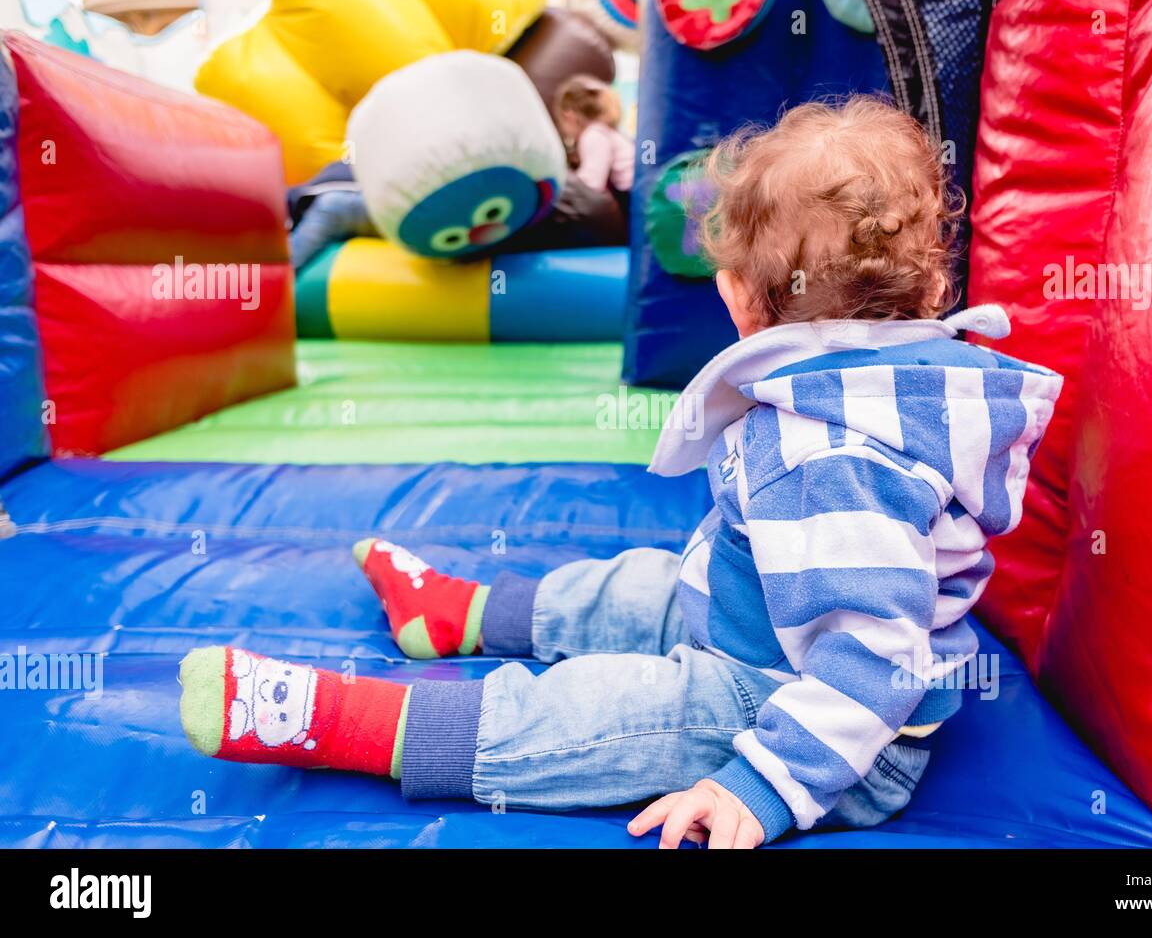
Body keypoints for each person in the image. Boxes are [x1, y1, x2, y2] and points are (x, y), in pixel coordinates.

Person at [178, 97, 1062, 848]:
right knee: (645, 586)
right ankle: (461, 615)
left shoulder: (834, 459)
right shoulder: (882, 385)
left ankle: (344, 722)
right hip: (762, 626)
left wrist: (758, 789)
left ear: (739, 299)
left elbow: (872, 659)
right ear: (928, 285)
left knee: (625, 707)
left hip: (818, 729)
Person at [553, 74, 634, 212]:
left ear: (569, 116)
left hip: (634, 194)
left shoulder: (594, 135)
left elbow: (592, 183)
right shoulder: (607, 132)